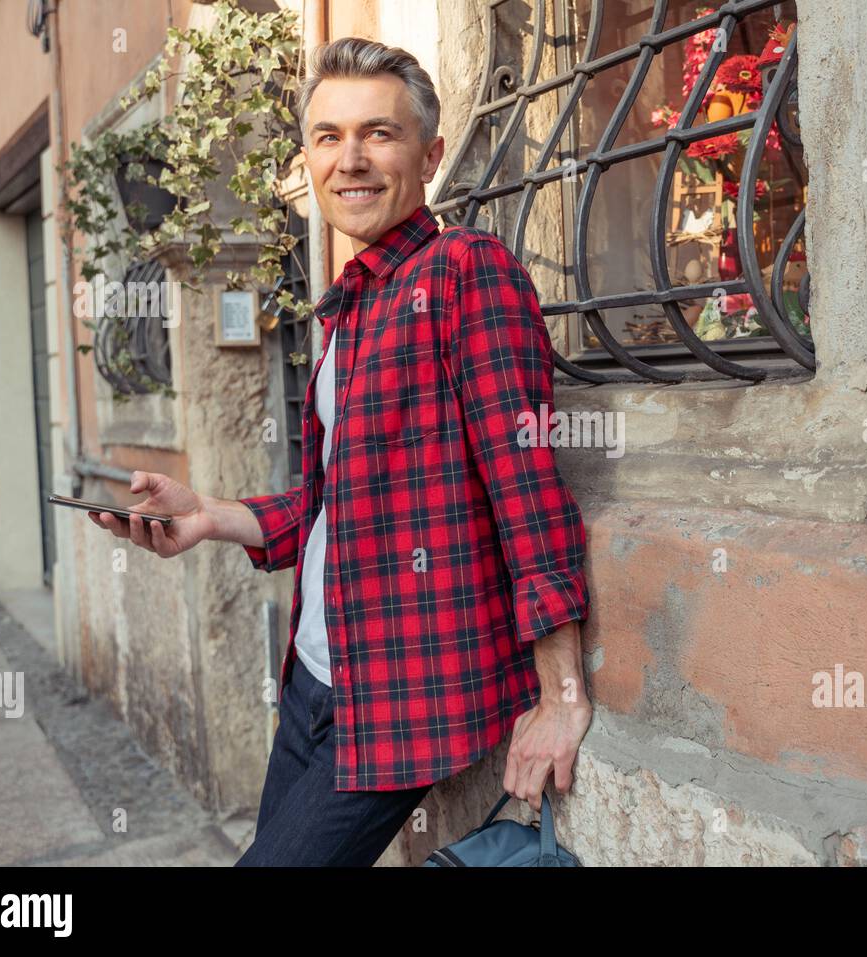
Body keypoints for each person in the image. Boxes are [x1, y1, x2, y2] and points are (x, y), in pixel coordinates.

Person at [87, 37, 593, 866]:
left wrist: (562, 694)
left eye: (378, 134)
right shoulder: (350, 308)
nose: (349, 159)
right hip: (312, 684)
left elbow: (528, 488)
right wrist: (209, 515)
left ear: (430, 155)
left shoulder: (470, 271)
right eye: (327, 136)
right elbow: (334, 504)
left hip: (398, 695)